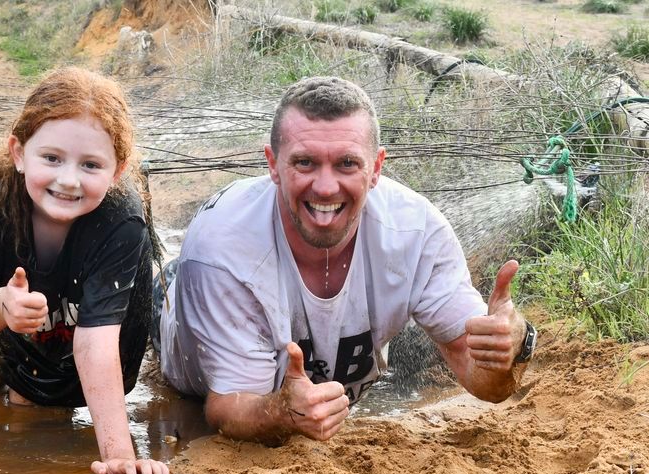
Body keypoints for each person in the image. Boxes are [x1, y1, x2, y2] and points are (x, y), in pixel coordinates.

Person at [155, 76, 535, 446]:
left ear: (377, 168)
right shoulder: (221, 250)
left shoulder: (417, 232)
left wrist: (512, 347)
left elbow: (487, 385)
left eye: (347, 164)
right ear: (272, 165)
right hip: (181, 313)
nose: (325, 187)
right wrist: (281, 413)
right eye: (305, 162)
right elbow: (226, 409)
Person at [0, 67, 169, 474]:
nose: (68, 180)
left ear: (117, 172)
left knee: (42, 408)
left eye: (91, 165)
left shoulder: (122, 220)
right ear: (18, 153)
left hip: (99, 336)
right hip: (12, 315)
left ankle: (32, 395)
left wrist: (119, 456)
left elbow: (97, 342)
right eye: (51, 158)